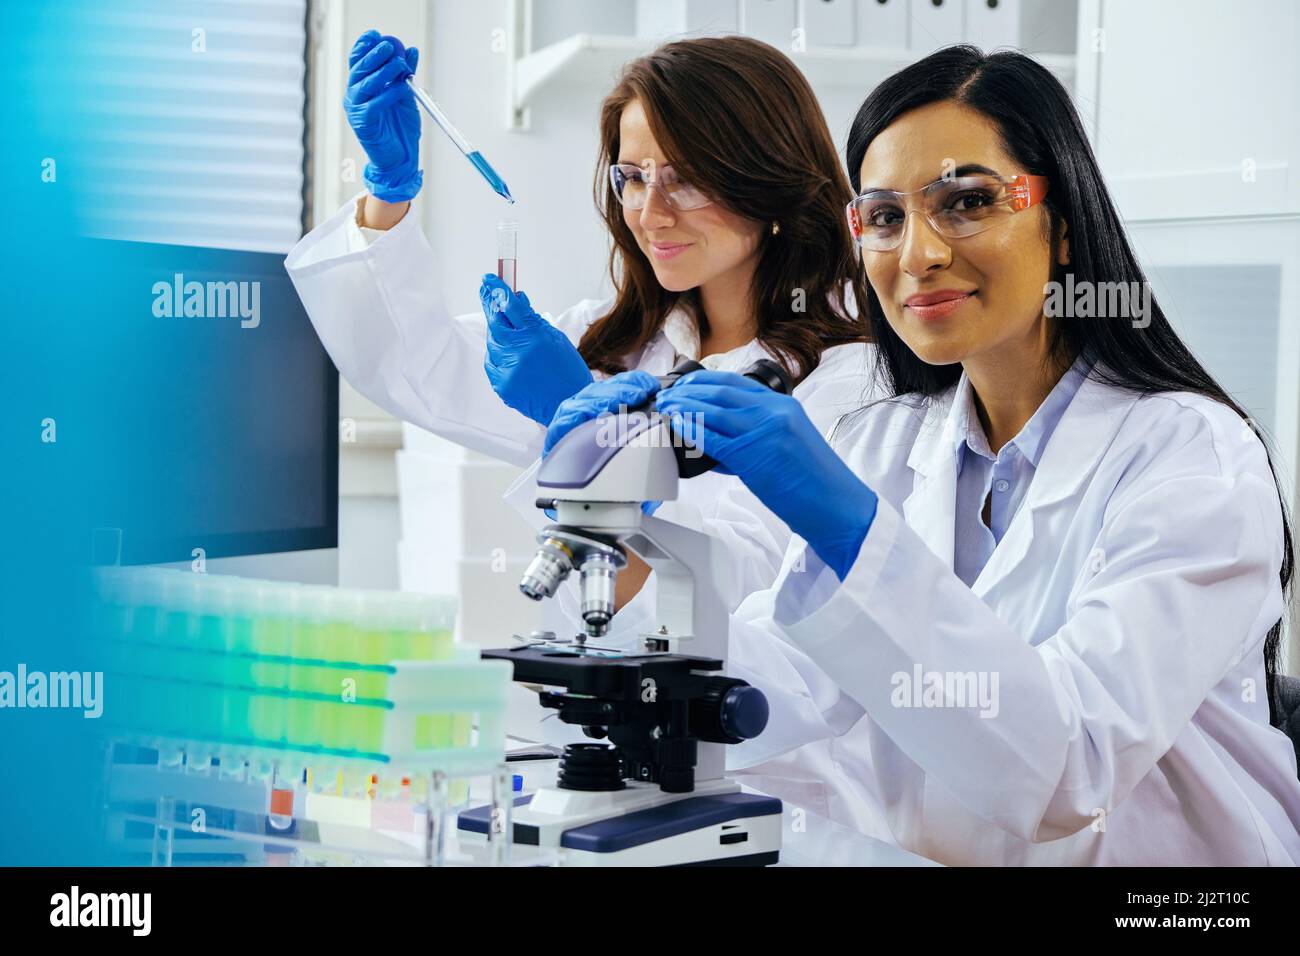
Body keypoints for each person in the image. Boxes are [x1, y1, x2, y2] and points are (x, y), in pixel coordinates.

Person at [546, 46, 1300, 865]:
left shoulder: (1191, 458)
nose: (918, 254)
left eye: (968, 202)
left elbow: (1070, 767)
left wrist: (856, 532)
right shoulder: (885, 437)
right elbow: (789, 686)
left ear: (1065, 225)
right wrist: (628, 531)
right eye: (883, 217)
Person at [285, 31, 876, 612]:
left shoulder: (852, 379)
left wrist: (590, 436)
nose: (650, 214)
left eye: (685, 179)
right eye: (632, 177)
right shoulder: (614, 341)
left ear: (769, 181)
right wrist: (388, 190)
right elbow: (418, 364)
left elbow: (753, 591)